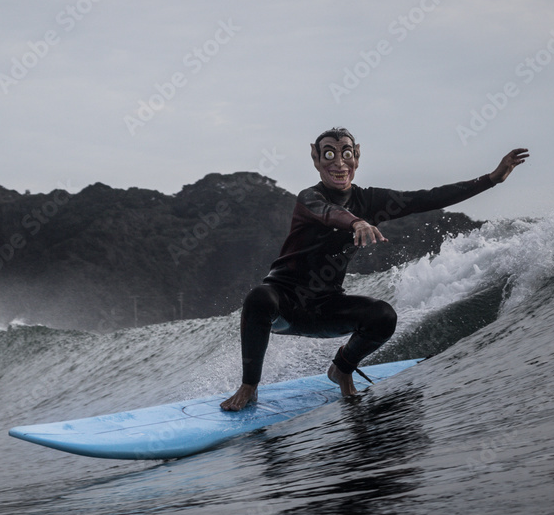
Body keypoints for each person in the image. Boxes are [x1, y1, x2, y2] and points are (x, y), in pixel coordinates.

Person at [220, 127, 529, 410]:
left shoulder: (371, 200)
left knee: (382, 316)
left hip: (324, 308)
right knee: (259, 297)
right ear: (315, 157)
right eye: (329, 154)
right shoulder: (309, 198)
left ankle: (341, 368)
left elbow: (427, 198)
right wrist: (355, 221)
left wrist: (491, 179)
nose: (339, 163)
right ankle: (249, 386)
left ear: (357, 156)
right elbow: (329, 213)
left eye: (346, 154)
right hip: (284, 303)